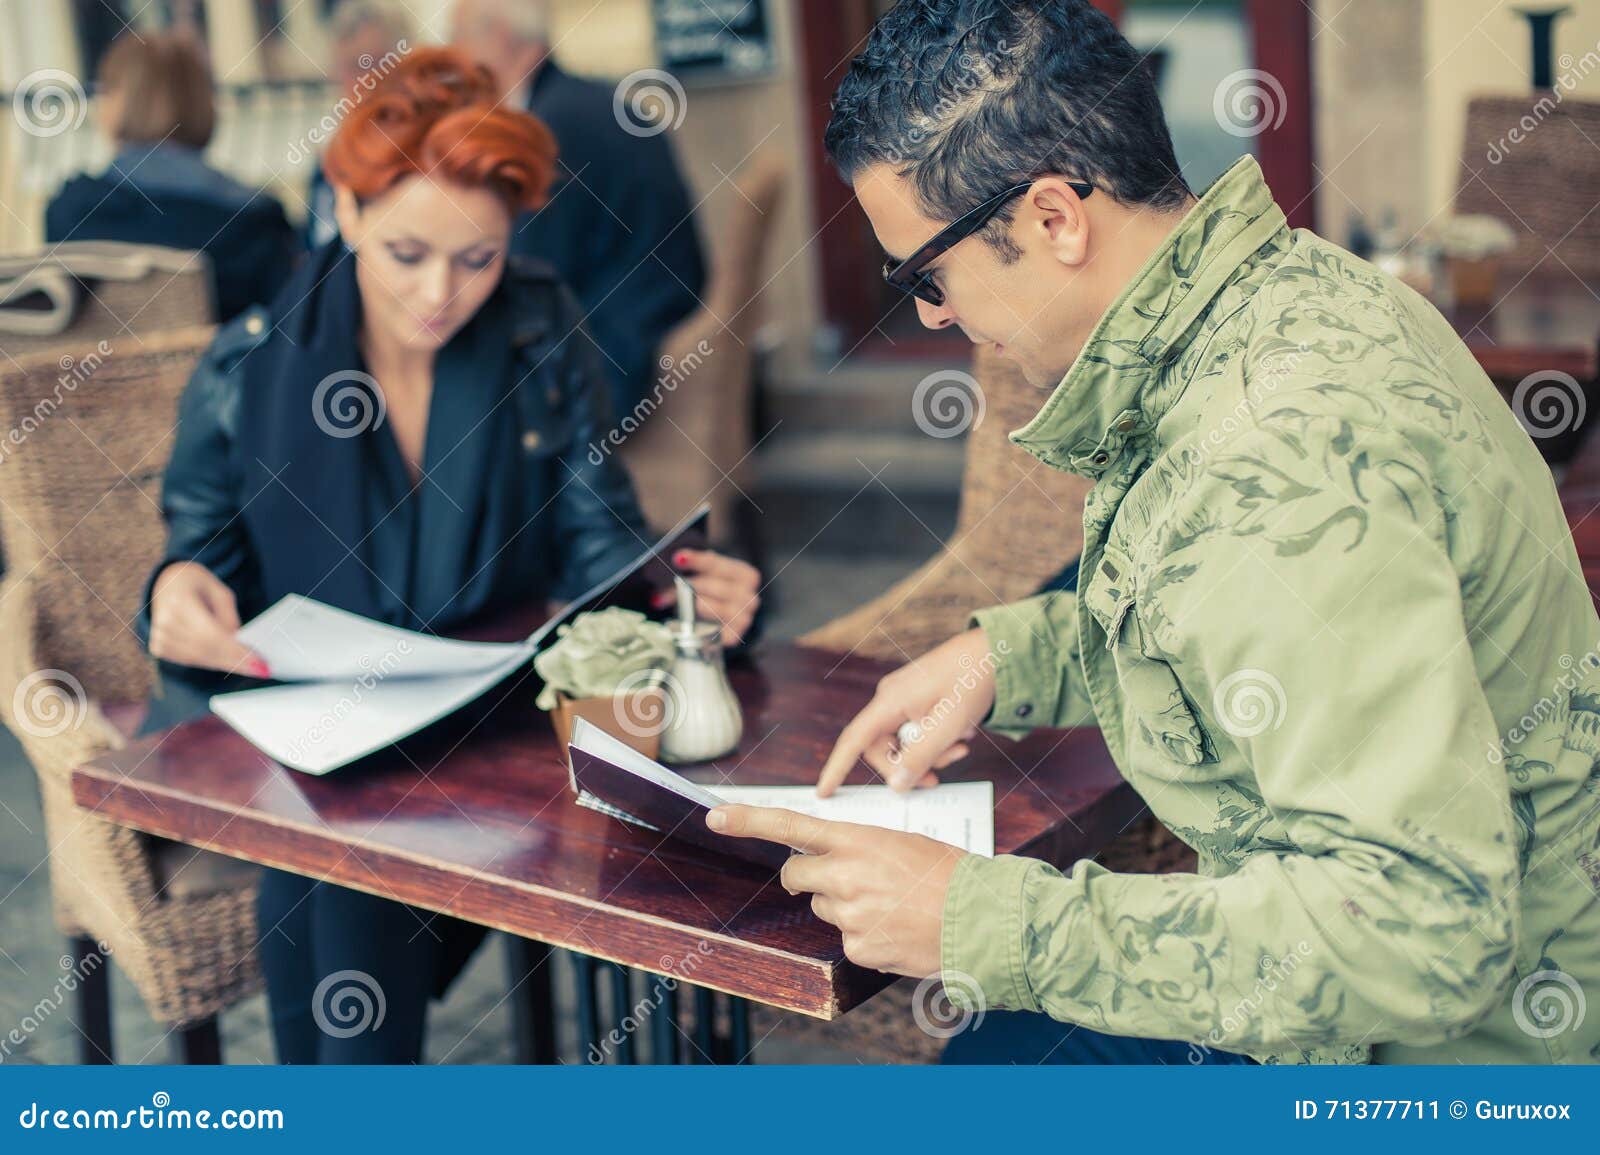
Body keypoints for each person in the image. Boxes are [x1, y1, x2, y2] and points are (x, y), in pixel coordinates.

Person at [705, 0, 1600, 1065]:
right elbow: (1236, 611)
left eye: (922, 276)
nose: (933, 319)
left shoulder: (1274, 454)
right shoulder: (1284, 296)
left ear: (1051, 219)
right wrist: (1013, 649)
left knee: (991, 1068)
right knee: (1002, 1057)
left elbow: (1422, 935)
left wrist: (981, 923)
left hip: (1454, 1059)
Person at [136, 48, 761, 1064]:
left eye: (476, 259)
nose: (441, 294)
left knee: (336, 884)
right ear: (345, 209)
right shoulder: (249, 364)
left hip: (490, 718)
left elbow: (592, 531)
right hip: (322, 742)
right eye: (406, 253)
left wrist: (684, 584)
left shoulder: (536, 326)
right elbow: (197, 554)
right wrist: (177, 591)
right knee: (335, 864)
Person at [451, 0, 707, 419]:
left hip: (619, 355)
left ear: (498, 36)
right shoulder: (585, 101)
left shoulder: (550, 127)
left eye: (457, 39)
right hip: (654, 316)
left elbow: (528, 272)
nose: (454, 59)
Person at [46, 31, 296, 321]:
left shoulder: (71, 213)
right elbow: (286, 328)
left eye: (106, 91)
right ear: (203, 103)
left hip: (101, 366)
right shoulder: (258, 219)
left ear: (117, 104)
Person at [303, 0, 416, 251]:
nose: (367, 81)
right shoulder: (329, 158)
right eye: (354, 67)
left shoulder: (426, 153)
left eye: (380, 63)